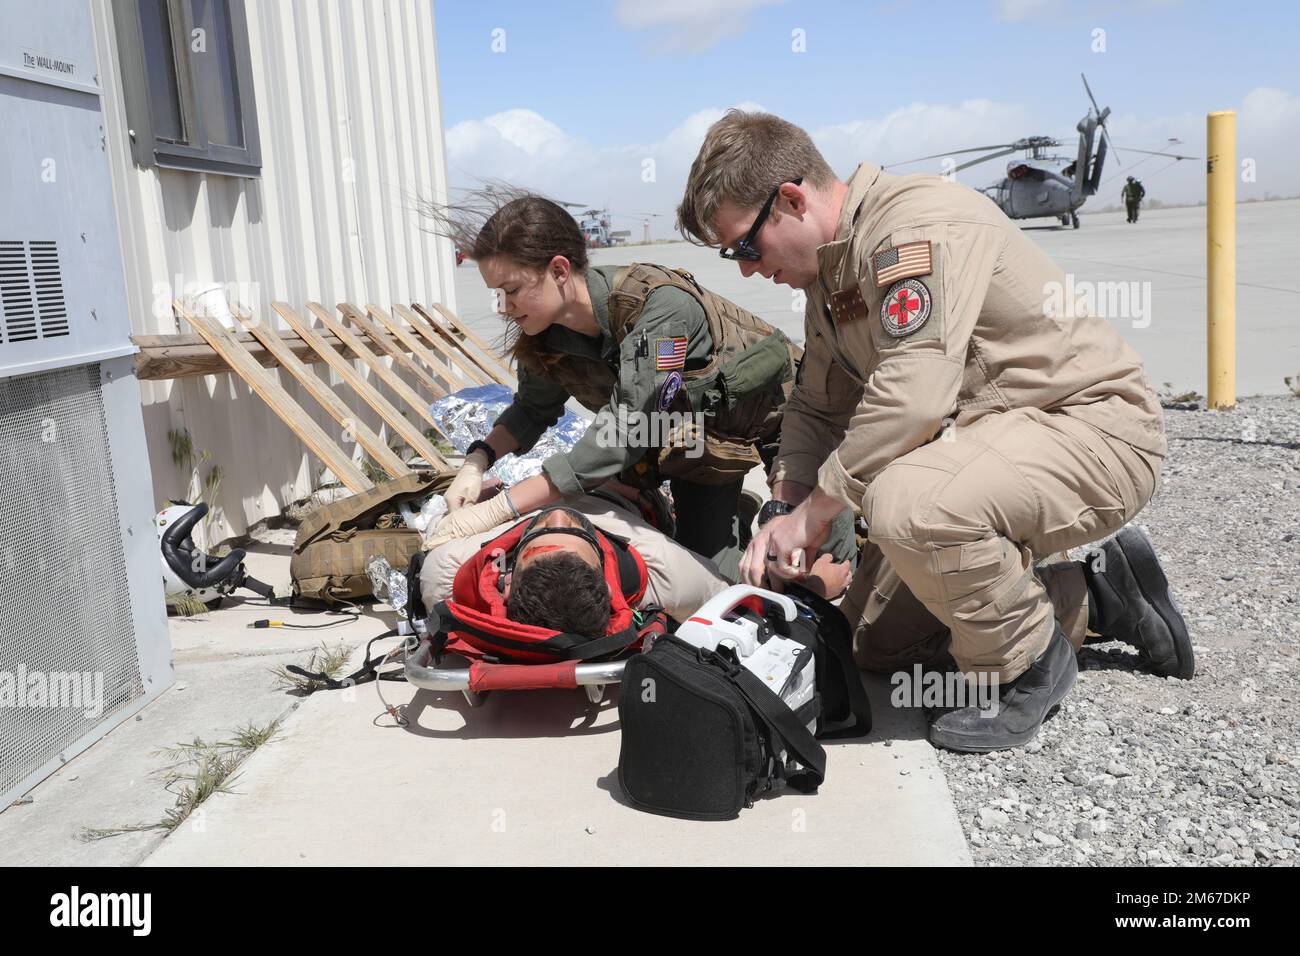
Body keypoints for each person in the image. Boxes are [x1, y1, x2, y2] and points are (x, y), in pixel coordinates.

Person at [676, 110, 1193, 753]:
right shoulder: (831, 273)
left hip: (1092, 427)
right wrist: (781, 508)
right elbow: (814, 406)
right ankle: (1097, 593)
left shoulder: (911, 229)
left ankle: (1025, 667)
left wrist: (812, 518)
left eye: (745, 247)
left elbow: (913, 399)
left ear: (790, 199)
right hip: (991, 444)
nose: (747, 270)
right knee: (872, 639)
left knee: (907, 506)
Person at [420, 189, 856, 580]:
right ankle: (738, 521)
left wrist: (502, 506)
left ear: (558, 269)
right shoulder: (546, 335)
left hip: (789, 424)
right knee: (712, 581)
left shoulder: (660, 309)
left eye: (511, 290)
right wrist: (476, 463)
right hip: (707, 447)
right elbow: (533, 408)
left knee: (823, 576)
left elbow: (625, 429)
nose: (502, 307)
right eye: (496, 293)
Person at [419, 485, 853, 629]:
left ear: (508, 576)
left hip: (539, 488)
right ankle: (728, 512)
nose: (557, 515)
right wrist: (814, 587)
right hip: (630, 504)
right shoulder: (670, 574)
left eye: (544, 533)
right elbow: (750, 600)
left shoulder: (449, 573)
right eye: (572, 533)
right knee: (727, 548)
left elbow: (435, 547)